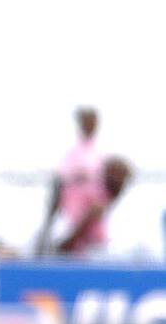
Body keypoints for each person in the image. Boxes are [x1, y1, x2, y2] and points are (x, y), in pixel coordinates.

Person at [38, 107, 131, 255]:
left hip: (94, 236)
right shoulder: (71, 155)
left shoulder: (100, 155)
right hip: (72, 220)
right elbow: (60, 184)